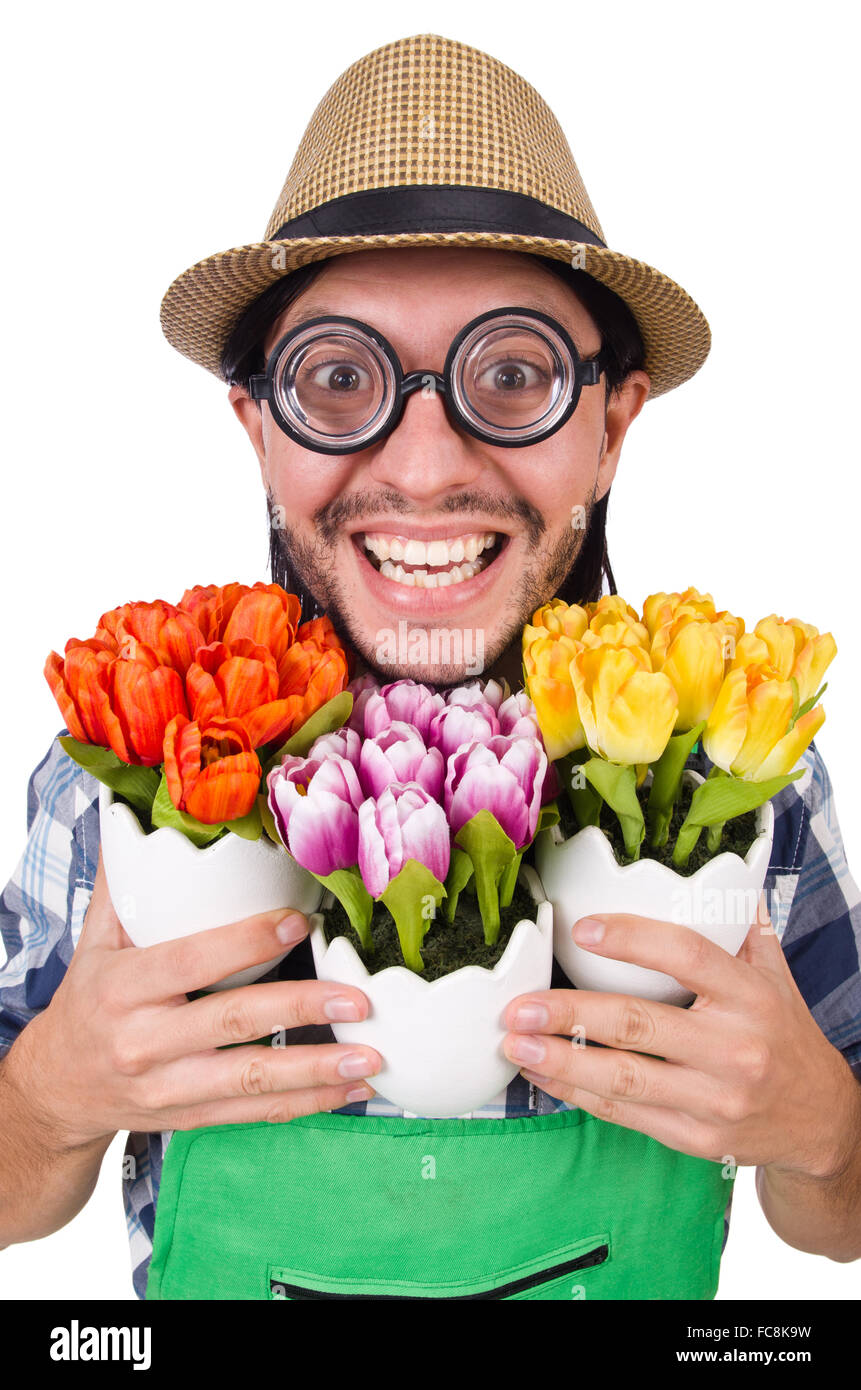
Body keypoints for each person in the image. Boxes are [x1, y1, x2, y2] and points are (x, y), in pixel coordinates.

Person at [1, 32, 859, 1300]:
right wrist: (45, 1097)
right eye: (336, 379)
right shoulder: (122, 791)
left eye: (510, 375)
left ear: (612, 425)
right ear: (257, 428)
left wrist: (823, 1130)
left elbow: (836, 1224)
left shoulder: (744, 776)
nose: (420, 465)